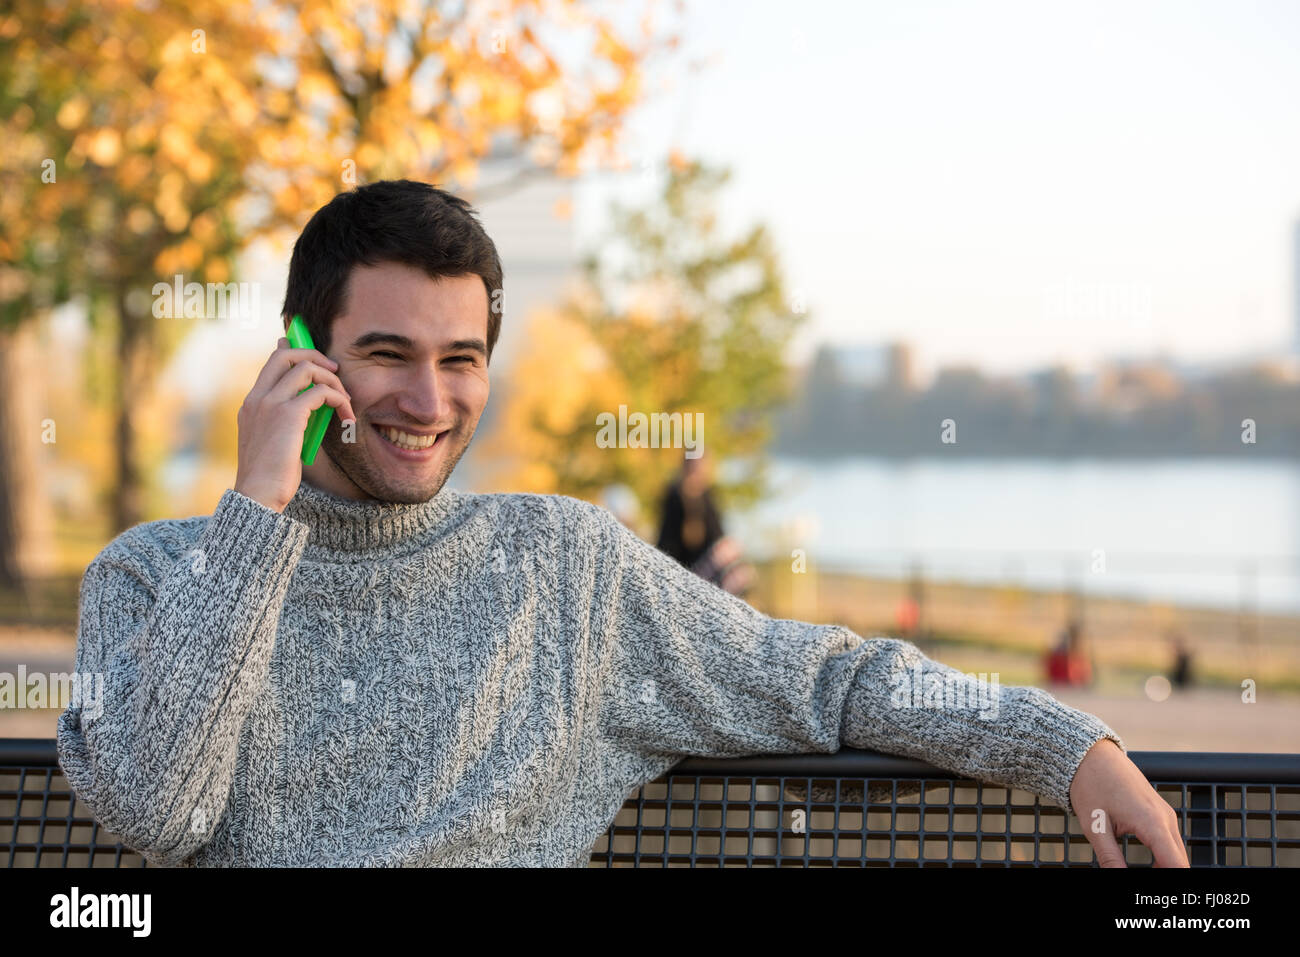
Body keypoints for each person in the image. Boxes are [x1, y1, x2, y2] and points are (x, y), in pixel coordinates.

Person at [56, 179, 1187, 868]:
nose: (431, 402)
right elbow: (158, 811)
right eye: (387, 355)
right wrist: (255, 512)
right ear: (301, 351)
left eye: (462, 361)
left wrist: (1068, 746)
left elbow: (827, 680)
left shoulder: (564, 572)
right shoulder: (154, 578)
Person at [655, 451, 753, 597]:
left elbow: (717, 534)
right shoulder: (675, 496)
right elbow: (669, 544)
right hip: (685, 571)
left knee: (734, 558)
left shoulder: (707, 496)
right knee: (728, 551)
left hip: (705, 567)